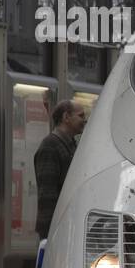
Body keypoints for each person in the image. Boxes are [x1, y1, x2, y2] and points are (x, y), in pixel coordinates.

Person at [34, 99, 87, 240]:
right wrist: (50, 234)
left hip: (67, 225)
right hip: (55, 229)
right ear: (66, 117)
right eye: (81, 116)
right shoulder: (50, 146)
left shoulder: (70, 144)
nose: (85, 120)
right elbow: (47, 195)